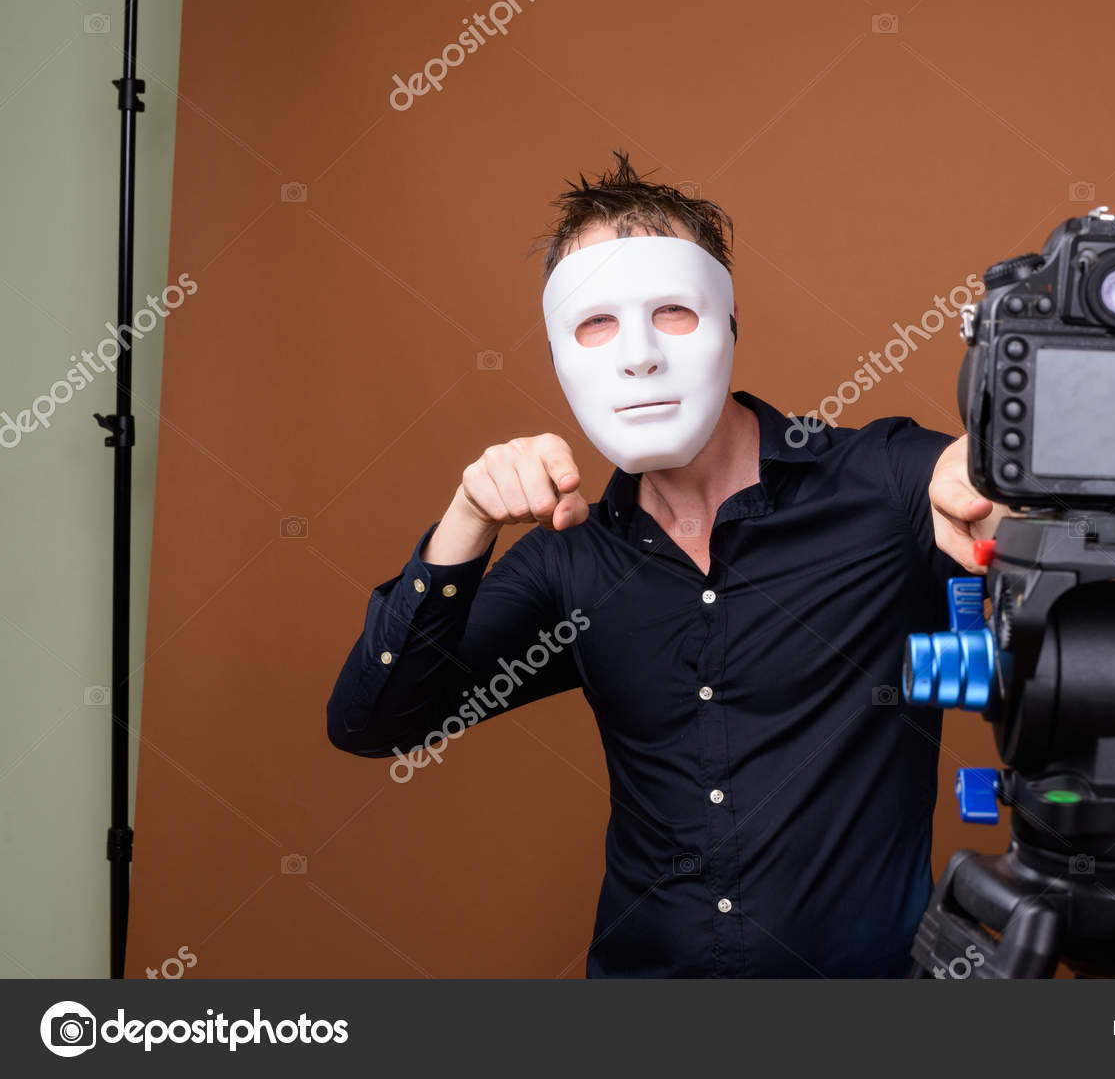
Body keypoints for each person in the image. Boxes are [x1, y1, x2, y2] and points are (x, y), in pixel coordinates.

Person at [326, 151, 1002, 977]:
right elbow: (374, 721)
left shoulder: (884, 484)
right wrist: (465, 523)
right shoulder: (568, 561)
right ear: (557, 347)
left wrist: (998, 486)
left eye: (672, 311)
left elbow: (988, 510)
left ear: (730, 319)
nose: (638, 355)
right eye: (596, 322)